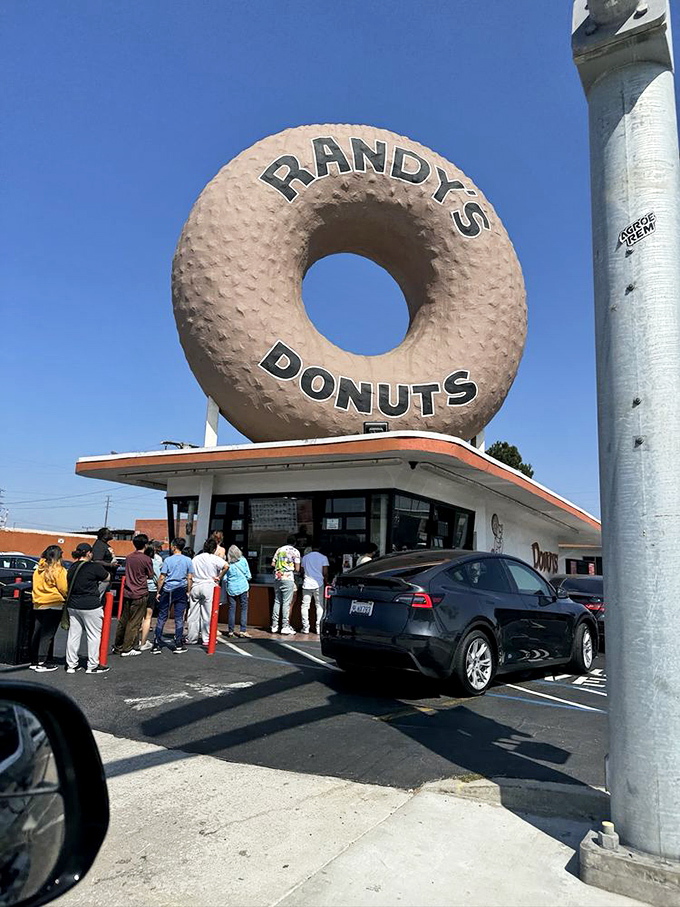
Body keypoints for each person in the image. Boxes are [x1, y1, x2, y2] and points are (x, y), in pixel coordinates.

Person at [65, 543, 110, 674]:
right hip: (90, 605)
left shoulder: (72, 567)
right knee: (93, 635)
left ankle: (71, 665)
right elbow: (107, 577)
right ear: (89, 553)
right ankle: (92, 666)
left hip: (73, 605)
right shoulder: (94, 567)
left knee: (73, 635)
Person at [30, 545, 68, 672]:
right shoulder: (59, 570)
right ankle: (42, 662)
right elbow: (64, 588)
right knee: (48, 635)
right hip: (54, 604)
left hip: (38, 604)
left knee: (37, 632)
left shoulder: (38, 570)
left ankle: (34, 660)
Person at [113, 534, 152, 657]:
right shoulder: (146, 559)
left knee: (123, 620)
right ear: (145, 545)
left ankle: (118, 646)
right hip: (140, 592)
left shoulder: (129, 557)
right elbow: (150, 575)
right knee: (134, 622)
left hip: (127, 591)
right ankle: (127, 648)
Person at [152, 537, 193, 654]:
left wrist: (158, 592)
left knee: (162, 616)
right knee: (179, 618)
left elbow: (162, 577)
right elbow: (190, 577)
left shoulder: (168, 560)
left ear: (174, 546)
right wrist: (188, 591)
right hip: (181, 589)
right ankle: (178, 643)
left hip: (168, 589)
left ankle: (157, 643)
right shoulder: (188, 560)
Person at [186, 538, 225, 645]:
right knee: (207, 614)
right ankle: (206, 639)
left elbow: (190, 575)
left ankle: (191, 638)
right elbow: (226, 566)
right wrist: (219, 576)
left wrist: (189, 590)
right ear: (214, 549)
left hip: (196, 585)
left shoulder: (195, 558)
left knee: (193, 614)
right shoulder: (214, 558)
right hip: (209, 586)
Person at [271, 535, 300, 635]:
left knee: (277, 600)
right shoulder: (295, 552)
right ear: (295, 542)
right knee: (286, 603)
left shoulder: (279, 550)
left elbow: (273, 564)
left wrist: (281, 566)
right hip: (288, 577)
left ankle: (274, 625)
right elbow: (297, 568)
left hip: (278, 576)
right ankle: (285, 626)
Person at [224, 545, 252, 638]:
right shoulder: (243, 560)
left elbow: (224, 578)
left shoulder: (227, 564)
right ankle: (243, 630)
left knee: (232, 609)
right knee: (244, 609)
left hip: (231, 588)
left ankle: (231, 631)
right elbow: (248, 575)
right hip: (243, 587)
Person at [300, 543, 329, 634]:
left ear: (312, 548)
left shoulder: (305, 557)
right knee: (319, 606)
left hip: (307, 583)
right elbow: (325, 572)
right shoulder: (323, 557)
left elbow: (302, 570)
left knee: (305, 606)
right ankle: (318, 628)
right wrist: (327, 581)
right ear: (319, 548)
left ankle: (305, 628)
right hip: (319, 583)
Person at [140, 540, 163, 651]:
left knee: (137, 616)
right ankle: (143, 642)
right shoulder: (153, 562)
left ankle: (132, 641)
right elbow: (157, 578)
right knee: (148, 617)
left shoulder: (138, 560)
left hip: (138, 589)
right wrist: (159, 591)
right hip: (151, 590)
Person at [91, 527, 117, 601]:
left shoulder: (104, 545)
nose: (111, 534)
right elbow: (97, 560)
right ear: (104, 536)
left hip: (107, 577)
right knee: (98, 598)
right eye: (109, 533)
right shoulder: (99, 545)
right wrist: (110, 565)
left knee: (104, 599)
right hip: (102, 578)